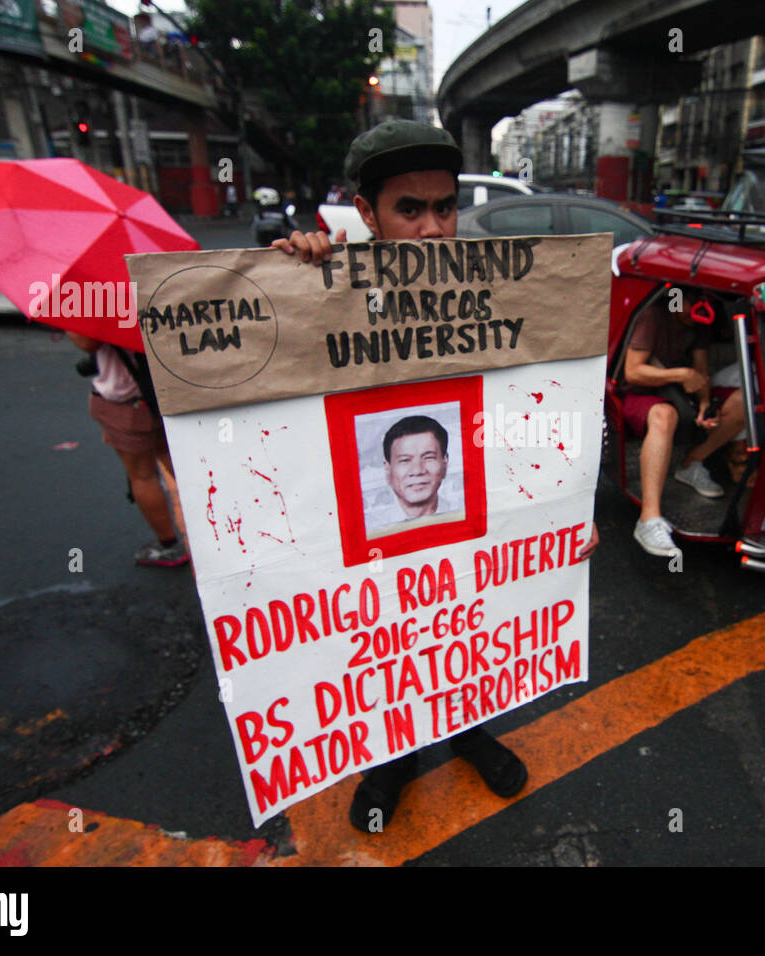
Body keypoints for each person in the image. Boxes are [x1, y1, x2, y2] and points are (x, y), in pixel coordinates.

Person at [274, 118, 598, 834]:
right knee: (390, 635)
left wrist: (565, 502)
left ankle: (465, 729)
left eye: (444, 208)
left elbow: (525, 404)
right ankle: (391, 758)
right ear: (366, 213)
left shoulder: (497, 291)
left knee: (461, 626)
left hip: (463, 513)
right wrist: (290, 273)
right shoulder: (318, 288)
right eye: (408, 210)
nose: (431, 230)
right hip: (370, 528)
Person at [621, 295, 746, 559]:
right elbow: (633, 372)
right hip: (637, 394)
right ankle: (648, 519)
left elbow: (700, 369)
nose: (694, 314)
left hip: (679, 396)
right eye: (691, 306)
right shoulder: (653, 316)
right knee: (664, 415)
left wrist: (703, 404)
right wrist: (681, 375)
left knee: (744, 403)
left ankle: (691, 462)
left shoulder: (699, 322)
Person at [68, 332, 189, 567]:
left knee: (142, 474)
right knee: (181, 465)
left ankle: (168, 545)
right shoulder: (148, 293)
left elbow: (87, 341)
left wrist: (68, 323)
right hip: (170, 388)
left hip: (129, 398)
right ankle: (223, 532)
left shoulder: (108, 296)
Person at [368, 415, 461, 531]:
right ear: (388, 470)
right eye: (405, 460)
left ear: (445, 463)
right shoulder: (372, 528)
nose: (417, 471)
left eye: (428, 457)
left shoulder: (461, 513)